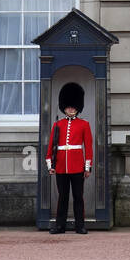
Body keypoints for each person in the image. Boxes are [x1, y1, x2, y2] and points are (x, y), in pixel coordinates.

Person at [45, 83, 93, 234]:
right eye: (68, 106)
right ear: (64, 107)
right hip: (60, 166)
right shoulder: (57, 124)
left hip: (77, 166)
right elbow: (51, 146)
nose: (71, 109)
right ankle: (60, 226)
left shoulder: (84, 124)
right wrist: (50, 164)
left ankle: (80, 225)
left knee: (78, 196)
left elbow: (88, 147)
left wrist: (87, 167)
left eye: (73, 106)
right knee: (63, 197)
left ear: (78, 107)